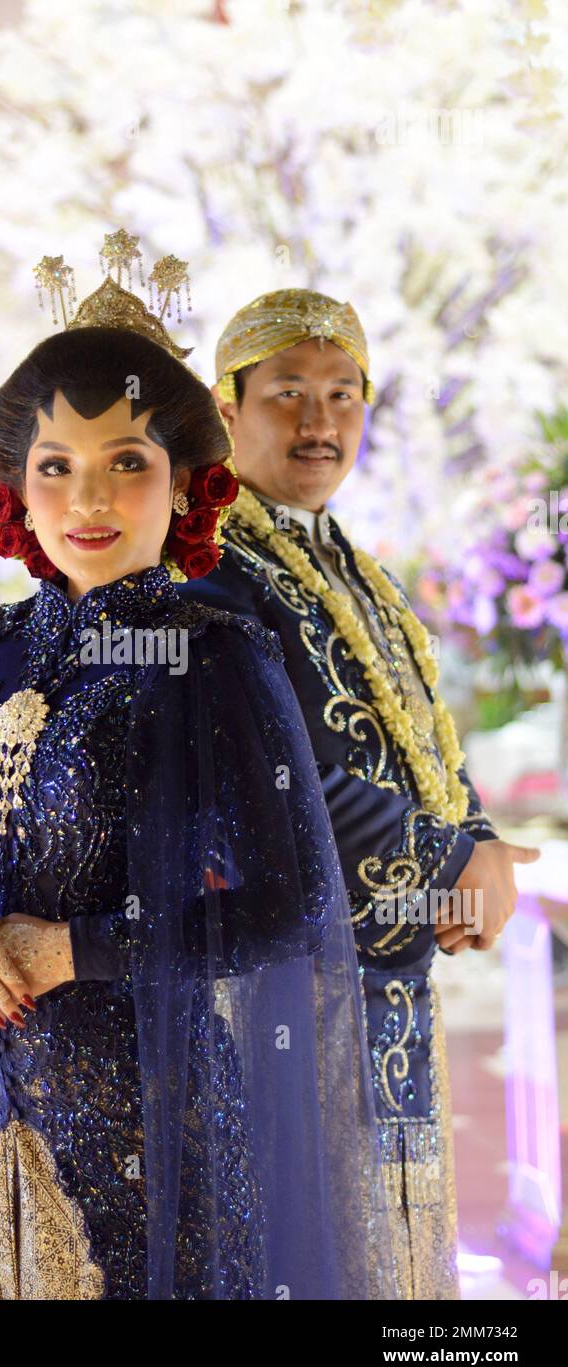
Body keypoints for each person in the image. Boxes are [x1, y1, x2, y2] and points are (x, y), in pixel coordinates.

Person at [0, 241, 399, 1301]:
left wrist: (76, 949)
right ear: (18, 492)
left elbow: (290, 907)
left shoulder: (216, 656)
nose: (91, 495)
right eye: (58, 465)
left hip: (148, 1126)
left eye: (127, 460)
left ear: (185, 481)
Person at [182, 286, 541, 1299]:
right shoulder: (208, 569)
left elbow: (420, 741)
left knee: (395, 1259)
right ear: (226, 409)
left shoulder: (350, 563)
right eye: (287, 393)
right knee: (309, 1252)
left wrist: (476, 841)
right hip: (282, 983)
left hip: (384, 986)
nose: (318, 420)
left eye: (344, 394)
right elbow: (272, 771)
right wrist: (449, 866)